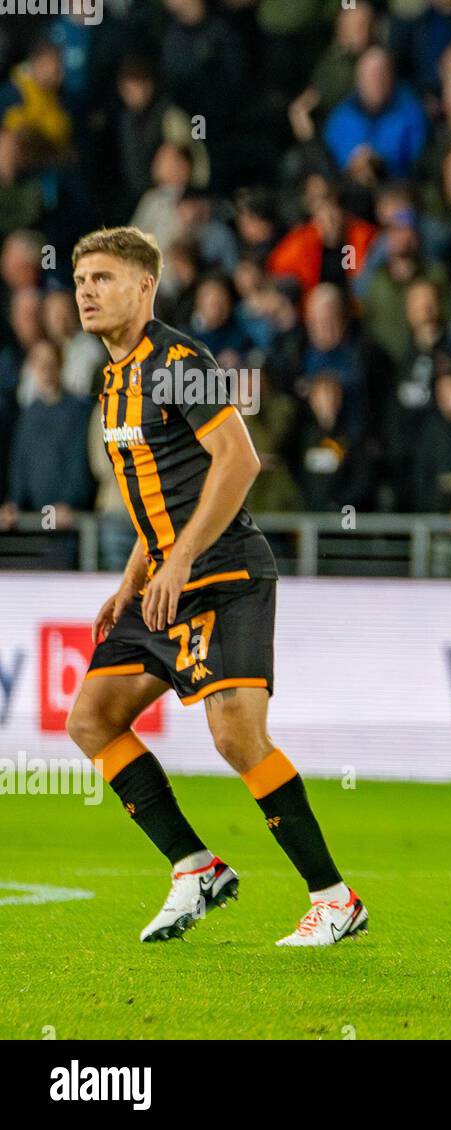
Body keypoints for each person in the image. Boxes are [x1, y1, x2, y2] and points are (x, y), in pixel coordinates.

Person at [63, 226, 366, 947]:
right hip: (163, 581)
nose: (86, 292)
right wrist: (135, 575)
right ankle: (194, 867)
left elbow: (238, 462)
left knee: (236, 735)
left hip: (224, 572)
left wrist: (177, 560)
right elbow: (162, 491)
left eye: (103, 278)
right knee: (92, 718)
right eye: (80, 281)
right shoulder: (112, 379)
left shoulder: (181, 361)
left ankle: (334, 898)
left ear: (146, 286)